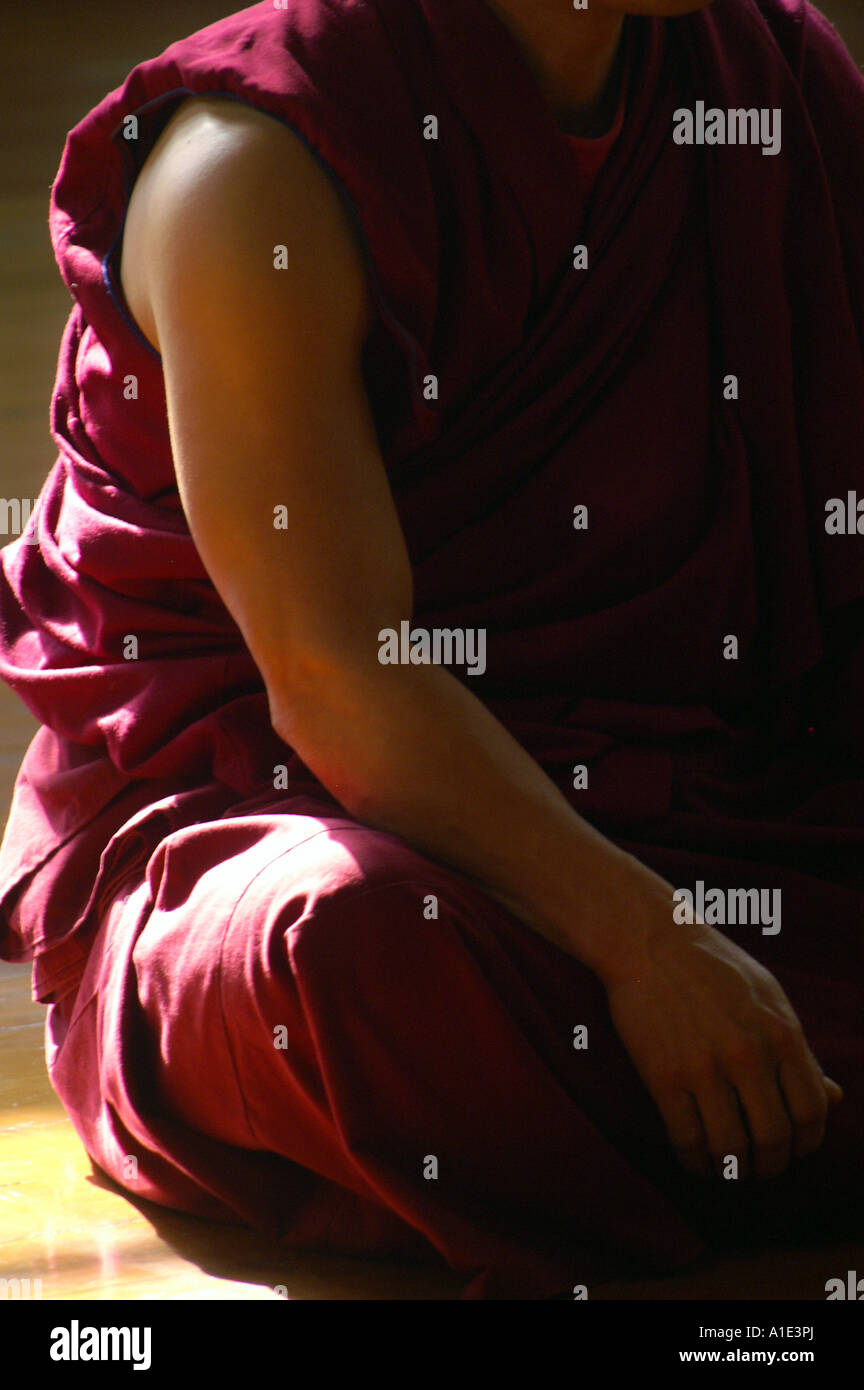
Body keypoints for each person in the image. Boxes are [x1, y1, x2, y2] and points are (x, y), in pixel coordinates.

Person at [1, 0, 863, 1299]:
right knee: (353, 946)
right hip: (292, 814)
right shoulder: (254, 163)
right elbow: (337, 679)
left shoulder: (770, 78)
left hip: (708, 786)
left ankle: (703, 1118)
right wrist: (645, 942)